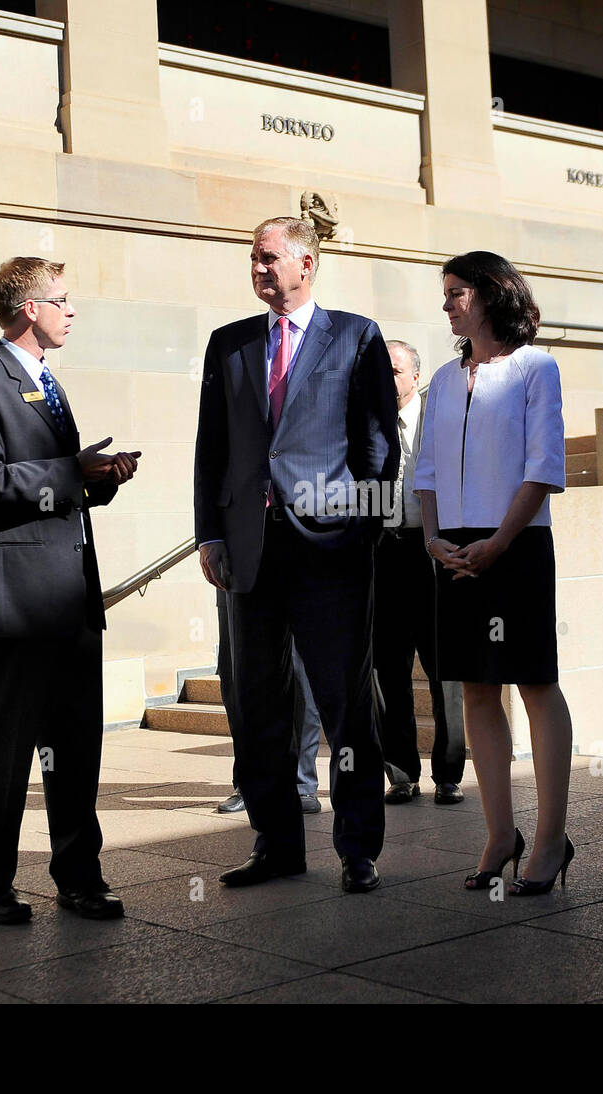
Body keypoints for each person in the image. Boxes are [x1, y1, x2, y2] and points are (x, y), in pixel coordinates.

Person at [193, 217, 398, 893]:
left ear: (306, 264)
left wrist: (364, 528)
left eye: (268, 257)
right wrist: (211, 533)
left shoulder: (356, 336)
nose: (257, 267)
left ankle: (358, 848)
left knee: (344, 704)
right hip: (251, 553)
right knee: (259, 706)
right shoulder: (229, 345)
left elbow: (376, 448)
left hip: (332, 550)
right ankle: (275, 843)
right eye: (252, 258)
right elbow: (212, 448)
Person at [0, 257, 138, 924]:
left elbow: (54, 486)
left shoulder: (48, 383)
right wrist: (68, 468)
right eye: (61, 299)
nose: (71, 309)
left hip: (69, 595)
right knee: (3, 747)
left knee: (77, 743)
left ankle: (79, 878)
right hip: (12, 598)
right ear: (29, 308)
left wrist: (100, 477)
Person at [414, 251, 574, 896]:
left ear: (490, 294)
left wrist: (500, 542)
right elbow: (424, 470)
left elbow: (543, 466)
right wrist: (431, 538)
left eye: (457, 292)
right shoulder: (446, 381)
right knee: (475, 689)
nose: (447, 303)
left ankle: (549, 838)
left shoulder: (536, 366)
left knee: (534, 683)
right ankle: (499, 834)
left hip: (518, 542)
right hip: (452, 548)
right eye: (446, 293)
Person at [376, 339, 466, 805]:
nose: (387, 378)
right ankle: (400, 773)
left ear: (415, 376)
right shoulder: (366, 424)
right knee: (387, 668)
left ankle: (449, 773)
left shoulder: (439, 423)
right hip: (382, 553)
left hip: (431, 553)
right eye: (380, 370)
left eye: (394, 370)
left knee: (443, 666)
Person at [215, 590, 324, 816]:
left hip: (297, 570)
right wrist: (205, 551)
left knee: (301, 681)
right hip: (237, 574)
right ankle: (249, 783)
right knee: (238, 681)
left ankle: (302, 783)